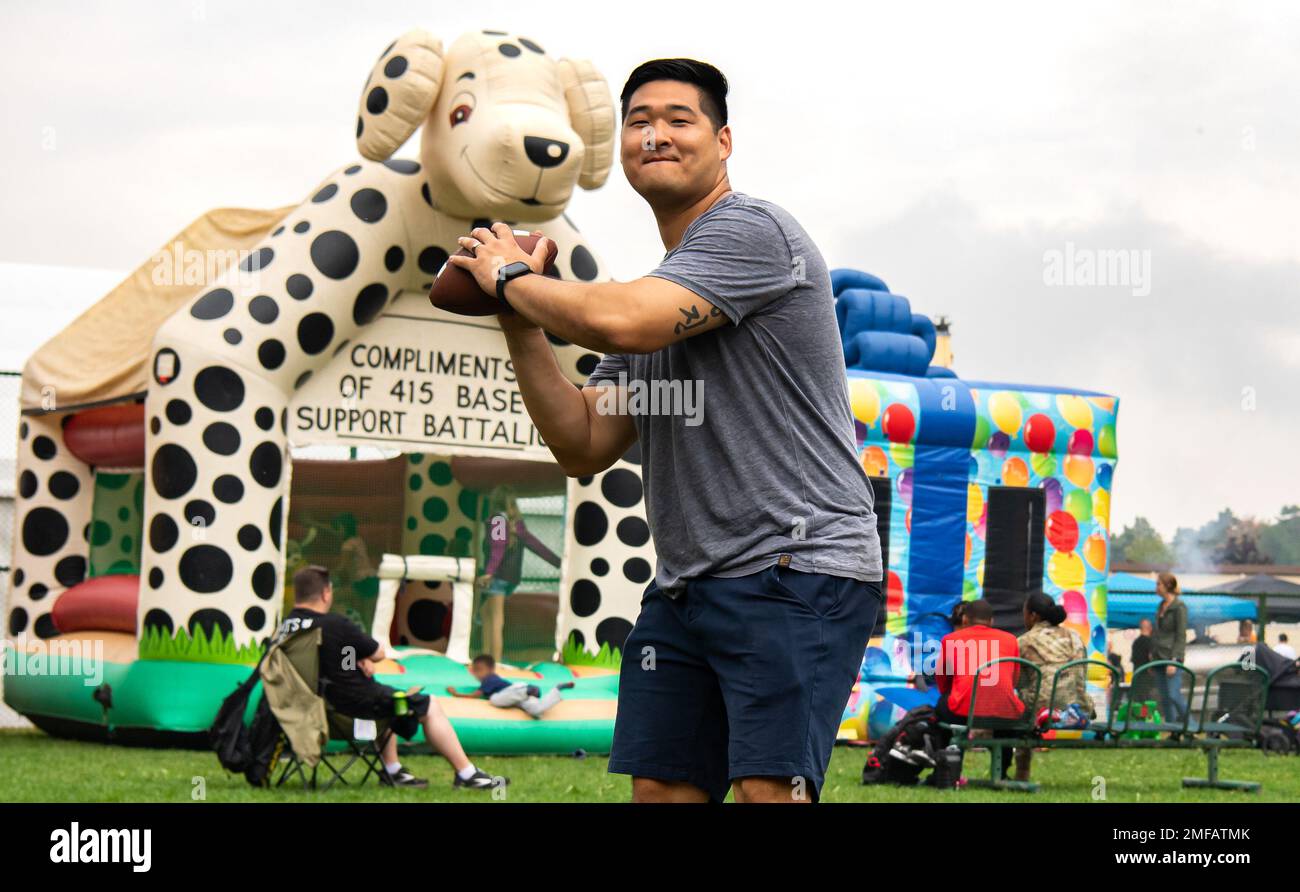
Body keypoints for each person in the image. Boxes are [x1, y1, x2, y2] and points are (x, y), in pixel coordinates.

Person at [447, 58, 884, 803]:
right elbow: (582, 441)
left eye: (679, 120)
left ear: (724, 141)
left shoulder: (751, 232)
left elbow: (623, 321)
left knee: (767, 793)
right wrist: (515, 317)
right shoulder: (661, 293)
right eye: (639, 122)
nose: (655, 135)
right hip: (688, 587)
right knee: (663, 792)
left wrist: (511, 276)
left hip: (795, 565)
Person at [279, 565, 503, 790]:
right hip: (347, 714)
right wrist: (364, 655)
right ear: (326, 593)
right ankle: (466, 773)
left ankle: (393, 769)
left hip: (304, 714)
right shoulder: (334, 624)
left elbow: (326, 661)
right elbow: (378, 653)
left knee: (383, 697)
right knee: (424, 704)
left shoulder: (284, 630)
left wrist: (354, 657)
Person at [934, 599, 1024, 778]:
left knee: (942, 709)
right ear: (992, 621)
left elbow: (943, 681)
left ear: (965, 619)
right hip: (1004, 710)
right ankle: (1002, 772)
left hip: (962, 711)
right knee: (1004, 717)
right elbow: (1013, 680)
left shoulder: (951, 640)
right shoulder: (1011, 640)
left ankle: (947, 769)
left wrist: (956, 693)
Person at [1012, 591, 1094, 782]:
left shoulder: (1024, 641)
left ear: (1033, 616)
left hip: (1041, 709)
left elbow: (1018, 681)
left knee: (1020, 709)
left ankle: (1022, 773)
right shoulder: (1075, 637)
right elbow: (1081, 675)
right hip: (1077, 708)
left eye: (1025, 613)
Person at [477, 487, 562, 662]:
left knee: (496, 619)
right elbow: (536, 546)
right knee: (485, 611)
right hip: (511, 577)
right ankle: (486, 654)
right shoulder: (517, 524)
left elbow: (498, 548)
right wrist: (559, 562)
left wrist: (489, 572)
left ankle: (495, 660)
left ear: (494, 502)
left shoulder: (498, 520)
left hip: (498, 576)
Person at [446, 654, 575, 718]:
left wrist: (455, 693)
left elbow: (476, 695)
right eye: (475, 670)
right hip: (519, 696)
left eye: (480, 669)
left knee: (494, 699)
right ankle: (557, 690)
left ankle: (527, 690)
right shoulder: (489, 679)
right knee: (536, 710)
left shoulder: (490, 679)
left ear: (491, 669)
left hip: (515, 690)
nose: (477, 673)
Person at [1151, 571, 1189, 724]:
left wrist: (1174, 660)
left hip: (1171, 658)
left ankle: (1191, 726)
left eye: (1158, 584)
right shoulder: (1160, 606)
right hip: (1158, 657)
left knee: (1174, 695)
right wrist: (1152, 655)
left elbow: (1181, 635)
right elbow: (1158, 633)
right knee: (1165, 698)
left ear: (1167, 586)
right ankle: (1171, 728)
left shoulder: (1179, 607)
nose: (1156, 587)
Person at [1129, 617, 1156, 702]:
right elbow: (1151, 657)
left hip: (1136, 674)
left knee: (1137, 700)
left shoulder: (1136, 642)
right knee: (1147, 700)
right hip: (1146, 676)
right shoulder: (1150, 642)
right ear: (1150, 628)